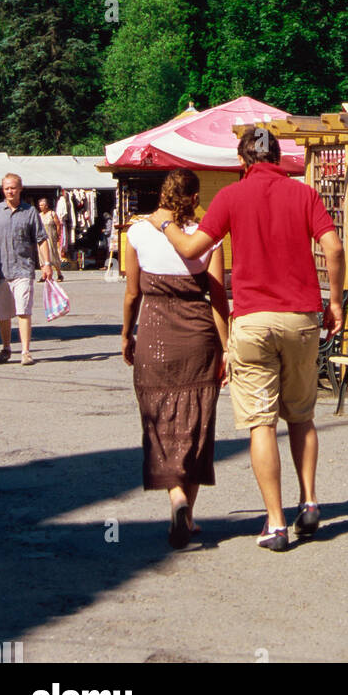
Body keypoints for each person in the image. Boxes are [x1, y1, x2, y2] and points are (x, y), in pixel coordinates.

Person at [152, 127, 344, 553]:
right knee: (302, 416)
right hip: (300, 318)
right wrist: (336, 304)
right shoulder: (305, 194)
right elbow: (333, 247)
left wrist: (165, 222)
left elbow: (191, 248)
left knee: (262, 423)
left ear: (243, 161)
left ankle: (276, 524)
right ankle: (309, 500)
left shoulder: (231, 197)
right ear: (277, 156)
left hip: (253, 320)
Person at [122, 169, 229, 549]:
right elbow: (218, 297)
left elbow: (133, 293)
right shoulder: (205, 238)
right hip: (198, 336)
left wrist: (126, 334)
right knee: (198, 420)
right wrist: (225, 346)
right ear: (195, 197)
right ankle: (190, 511)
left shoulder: (137, 233)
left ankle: (176, 498)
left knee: (158, 419)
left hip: (155, 335)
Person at [0, 173, 54, 365]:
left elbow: (41, 239)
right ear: (2, 190)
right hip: (1, 271)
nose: (10, 191)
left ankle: (25, 351)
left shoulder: (30, 212)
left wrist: (46, 264)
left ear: (20, 188)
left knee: (24, 310)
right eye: (6, 188)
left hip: (23, 269)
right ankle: (6, 348)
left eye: (13, 187)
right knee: (4, 314)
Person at [37, 198, 66, 281]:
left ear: (46, 206)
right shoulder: (39, 215)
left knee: (53, 254)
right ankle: (44, 275)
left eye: (42, 205)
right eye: (40, 205)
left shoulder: (52, 214)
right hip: (42, 238)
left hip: (51, 237)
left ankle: (59, 274)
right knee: (41, 256)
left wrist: (58, 235)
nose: (41, 207)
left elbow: (58, 225)